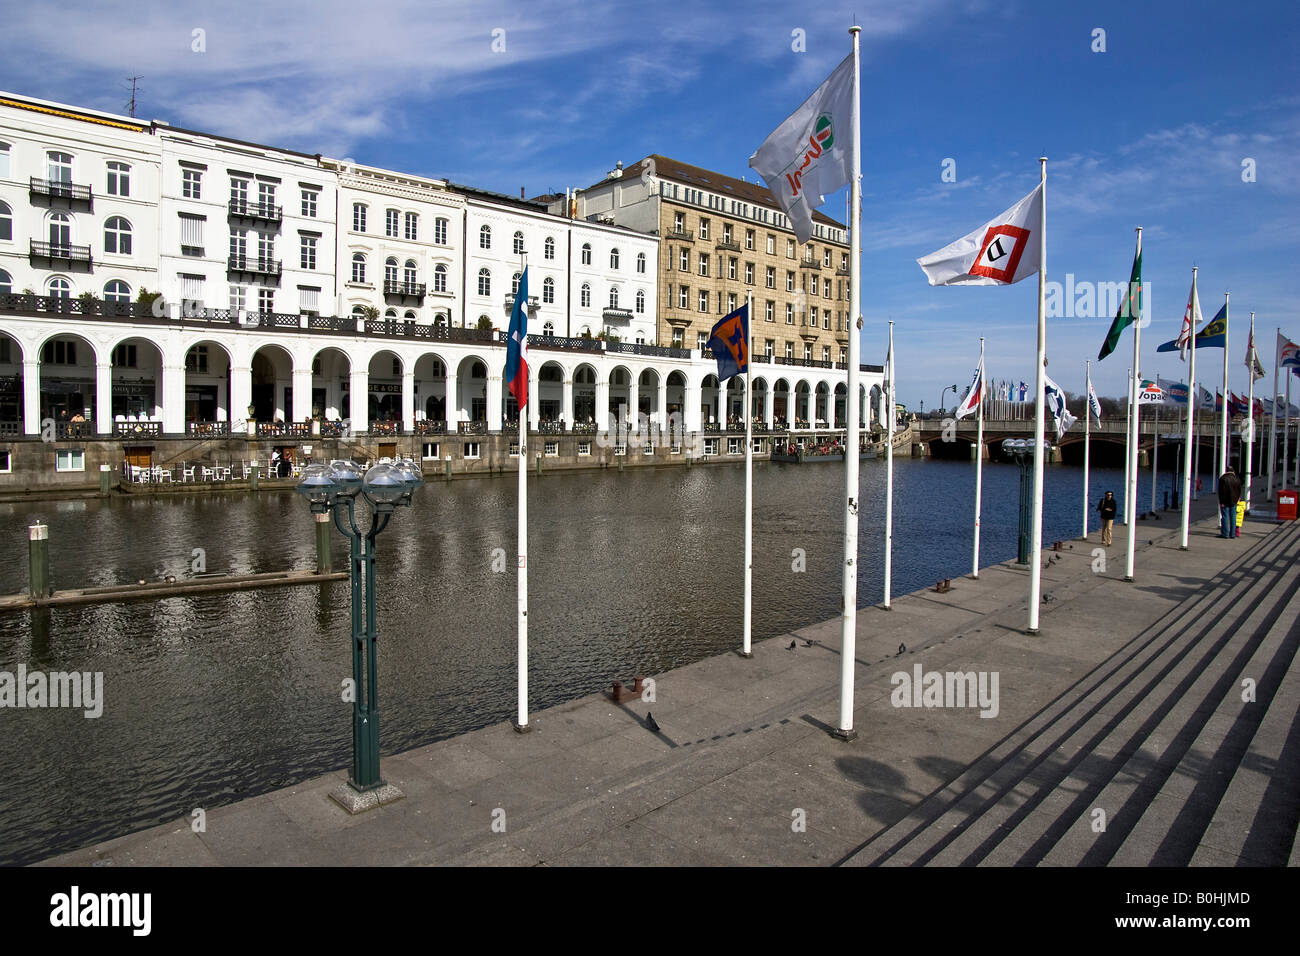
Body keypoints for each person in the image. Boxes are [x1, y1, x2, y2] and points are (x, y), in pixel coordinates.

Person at [1218, 466, 1243, 538]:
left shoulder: (1223, 479)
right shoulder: (1237, 479)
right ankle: (1233, 534)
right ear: (1233, 471)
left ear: (1226, 471)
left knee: (1225, 517)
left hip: (1225, 501)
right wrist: (1238, 498)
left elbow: (1221, 492)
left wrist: (1221, 501)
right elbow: (1239, 490)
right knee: (1233, 517)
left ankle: (1225, 534)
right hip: (1234, 500)